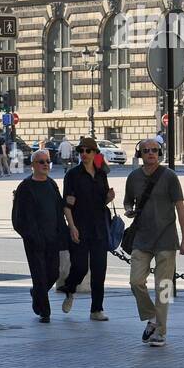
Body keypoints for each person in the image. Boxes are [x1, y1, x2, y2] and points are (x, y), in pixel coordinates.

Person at [124, 138, 184, 347]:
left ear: (159, 153)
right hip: (141, 238)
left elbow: (180, 208)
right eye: (146, 150)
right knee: (135, 282)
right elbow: (127, 200)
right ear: (139, 154)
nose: (151, 153)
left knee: (164, 287)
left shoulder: (169, 176)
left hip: (167, 239)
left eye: (155, 150)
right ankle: (153, 317)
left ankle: (160, 331)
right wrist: (128, 209)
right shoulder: (133, 177)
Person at [59, 136, 114, 321]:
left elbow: (102, 201)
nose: (84, 154)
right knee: (80, 267)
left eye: (88, 151)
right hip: (80, 228)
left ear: (95, 153)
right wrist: (72, 227)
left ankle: (96, 309)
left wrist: (109, 198)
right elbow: (67, 204)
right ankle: (69, 289)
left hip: (99, 228)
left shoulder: (101, 174)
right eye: (81, 151)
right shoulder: (73, 175)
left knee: (99, 270)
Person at [13, 149, 65, 322]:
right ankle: (45, 311)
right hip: (34, 241)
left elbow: (59, 210)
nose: (45, 165)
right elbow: (18, 217)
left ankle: (36, 293)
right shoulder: (25, 187)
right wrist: (31, 235)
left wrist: (62, 232)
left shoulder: (51, 184)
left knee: (53, 273)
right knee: (39, 275)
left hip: (52, 239)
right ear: (33, 165)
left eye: (47, 161)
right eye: (41, 162)